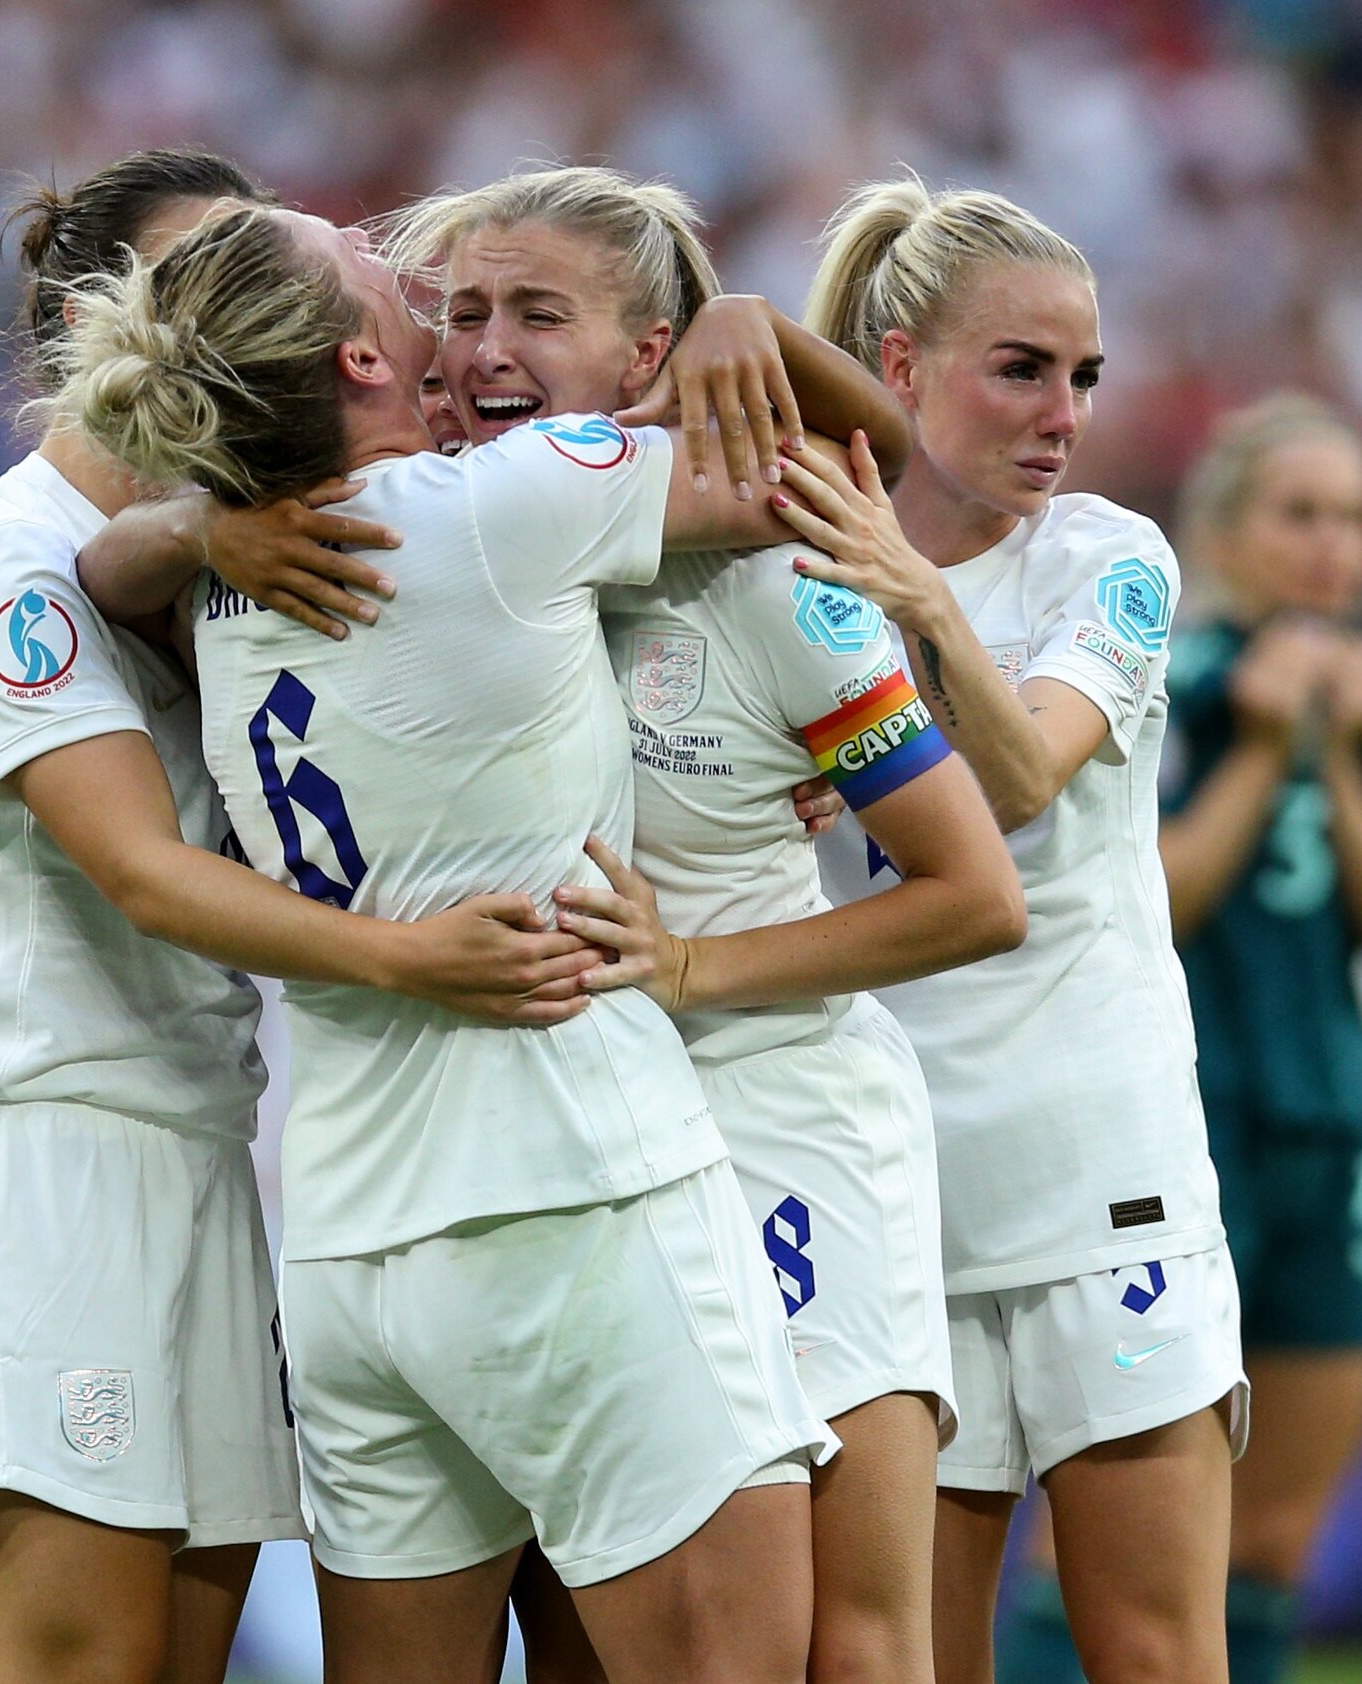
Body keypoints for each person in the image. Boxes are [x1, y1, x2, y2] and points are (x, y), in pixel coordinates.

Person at [53, 195, 907, 1684]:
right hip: (573, 1184)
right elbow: (846, 469)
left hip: (352, 1241)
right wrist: (750, 330)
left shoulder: (220, 581)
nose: (397, 264)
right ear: (362, 361)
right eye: (363, 266)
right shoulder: (505, 505)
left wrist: (197, 521)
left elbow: (103, 571)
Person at [0, 149, 606, 1684]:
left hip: (197, 1145)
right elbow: (141, 871)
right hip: (36, 1157)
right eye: (205, 274)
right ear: (105, 328)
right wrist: (416, 959)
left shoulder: (245, 546)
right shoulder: (7, 576)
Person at [380, 164, 1025, 1684]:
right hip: (577, 1158)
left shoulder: (768, 581)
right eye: (462, 312)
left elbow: (974, 889)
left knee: (852, 1647)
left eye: (538, 313)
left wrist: (689, 966)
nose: (482, 348)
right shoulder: (464, 564)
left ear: (649, 359)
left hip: (785, 1122)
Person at [771, 176, 1246, 1684]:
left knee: (1155, 1655)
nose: (1064, 412)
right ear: (901, 369)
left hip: (1104, 1179)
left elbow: (1029, 770)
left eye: (1084, 374)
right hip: (892, 1194)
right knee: (911, 1660)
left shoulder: (1108, 558)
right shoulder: (778, 583)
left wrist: (920, 601)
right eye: (1022, 368)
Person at [1150, 394, 1362, 1684]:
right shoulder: (1155, 680)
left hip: (1331, 1131)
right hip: (1179, 1131)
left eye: (1355, 520)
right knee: (1138, 1542)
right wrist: (1263, 746)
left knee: (1271, 1542)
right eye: (1300, 513)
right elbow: (1149, 906)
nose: (1335, 547)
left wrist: (1329, 760)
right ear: (1222, 529)